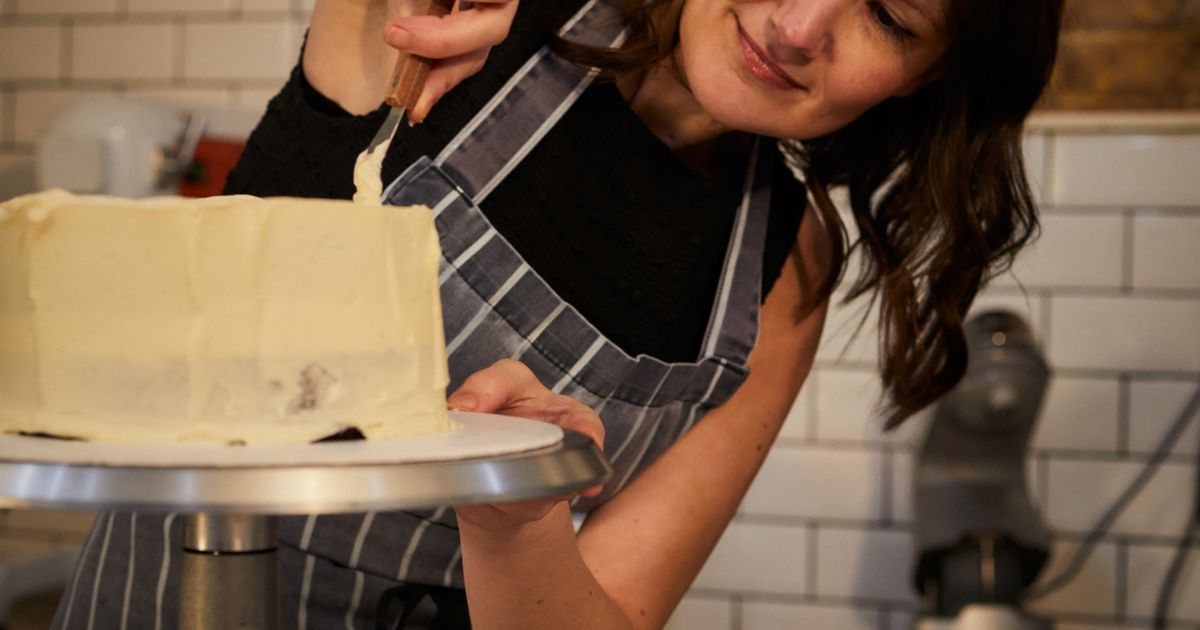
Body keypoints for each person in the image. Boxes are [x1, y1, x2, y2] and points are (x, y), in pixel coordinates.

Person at [52, 0, 1064, 627]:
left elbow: (612, 614)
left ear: (930, 79)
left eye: (889, 14)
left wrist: (519, 519)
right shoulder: (451, 15)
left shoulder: (784, 267)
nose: (799, 26)